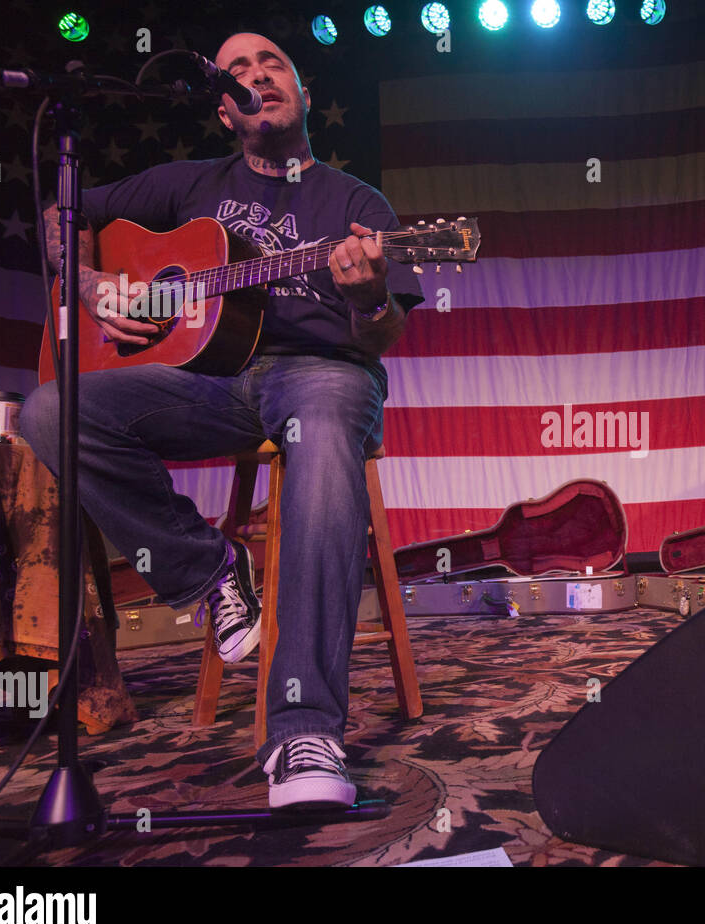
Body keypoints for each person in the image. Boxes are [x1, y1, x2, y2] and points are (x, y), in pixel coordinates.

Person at [23, 32, 424, 808]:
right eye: (237, 70)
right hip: (207, 382)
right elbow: (57, 215)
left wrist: (369, 295)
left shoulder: (356, 203)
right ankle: (209, 572)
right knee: (50, 406)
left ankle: (306, 730)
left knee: (329, 417)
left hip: (321, 374)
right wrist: (94, 281)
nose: (255, 75)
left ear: (302, 94)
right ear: (222, 110)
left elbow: (382, 334)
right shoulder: (188, 184)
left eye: (272, 64)